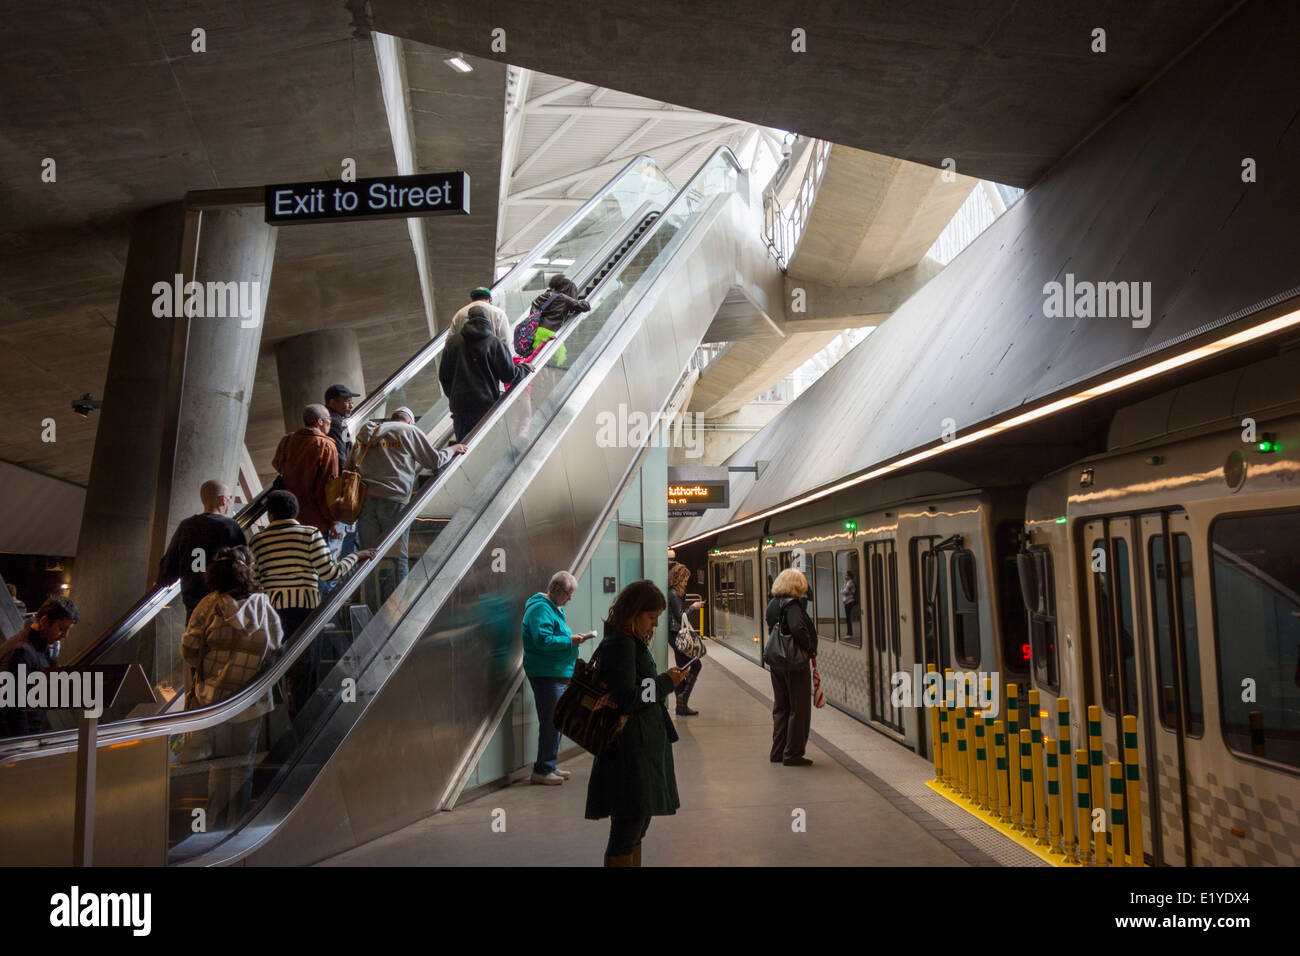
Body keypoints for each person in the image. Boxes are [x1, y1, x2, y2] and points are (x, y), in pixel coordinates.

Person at [585, 580, 686, 867]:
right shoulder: (620, 644)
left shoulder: (628, 641)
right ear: (634, 612)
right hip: (629, 752)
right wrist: (667, 682)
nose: (655, 624)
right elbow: (627, 697)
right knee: (628, 828)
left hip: (639, 746)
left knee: (636, 826)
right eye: (651, 617)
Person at [179, 546, 282, 827]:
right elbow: (276, 647)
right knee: (243, 765)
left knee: (218, 764)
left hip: (213, 700)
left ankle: (214, 822)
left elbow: (189, 648)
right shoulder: (263, 606)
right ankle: (238, 823)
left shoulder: (208, 605)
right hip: (250, 701)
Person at [248, 491, 374, 715]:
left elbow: (255, 580)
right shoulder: (309, 534)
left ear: (270, 514)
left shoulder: (258, 540)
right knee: (305, 668)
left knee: (278, 665)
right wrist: (356, 556)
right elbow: (330, 572)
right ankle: (302, 719)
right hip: (305, 611)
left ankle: (281, 713)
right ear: (296, 512)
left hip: (272, 612)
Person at [352, 408, 467, 587]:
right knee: (398, 557)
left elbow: (349, 466)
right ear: (410, 421)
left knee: (368, 557)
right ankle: (396, 606)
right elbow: (433, 461)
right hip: (394, 500)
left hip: (365, 501)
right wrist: (452, 449)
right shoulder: (409, 431)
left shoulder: (366, 434)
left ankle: (371, 605)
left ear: (391, 419)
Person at [521, 570, 595, 785]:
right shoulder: (540, 609)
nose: (570, 598)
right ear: (555, 590)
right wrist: (570, 641)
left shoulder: (554, 609)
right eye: (568, 594)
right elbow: (543, 640)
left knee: (557, 719)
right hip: (546, 673)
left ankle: (549, 764)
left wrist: (572, 640)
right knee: (551, 721)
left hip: (557, 671)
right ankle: (542, 770)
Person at [157, 479, 246, 621]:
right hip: (222, 604)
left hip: (193, 603)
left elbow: (169, 567)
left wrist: (162, 581)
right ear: (223, 500)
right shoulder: (230, 527)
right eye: (230, 498)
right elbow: (243, 565)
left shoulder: (186, 526)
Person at [438, 304, 530, 440]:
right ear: (487, 321)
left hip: (461, 408)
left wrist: (453, 396)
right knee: (489, 444)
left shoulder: (452, 343)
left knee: (464, 447)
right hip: (486, 406)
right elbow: (509, 375)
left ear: (468, 319)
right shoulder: (494, 343)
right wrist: (525, 368)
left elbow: (443, 376)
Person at [0, 597, 79, 737]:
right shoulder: (21, 651)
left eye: (68, 630)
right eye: (61, 628)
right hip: (16, 742)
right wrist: (24, 745)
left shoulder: (40, 649)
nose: (65, 635)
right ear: (44, 621)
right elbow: (11, 708)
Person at [766, 568, 818, 766]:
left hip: (777, 662)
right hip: (794, 663)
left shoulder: (773, 604)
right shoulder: (793, 605)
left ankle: (778, 751)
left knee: (781, 707)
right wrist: (810, 647)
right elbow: (796, 628)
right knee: (799, 708)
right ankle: (793, 753)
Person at [271, 404, 339, 538]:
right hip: (315, 519)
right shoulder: (326, 446)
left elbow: (276, 464)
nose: (330, 424)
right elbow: (328, 486)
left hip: (288, 515)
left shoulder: (287, 440)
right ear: (320, 422)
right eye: (328, 421)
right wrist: (333, 521)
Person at [324, 384, 362, 562]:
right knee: (336, 545)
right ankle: (333, 586)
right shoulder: (336, 423)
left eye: (351, 402)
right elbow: (341, 457)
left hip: (330, 489)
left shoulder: (331, 421)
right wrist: (347, 483)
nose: (351, 406)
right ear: (332, 403)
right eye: (346, 402)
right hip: (338, 489)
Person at [667, 562, 704, 716]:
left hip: (673, 633)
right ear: (678, 578)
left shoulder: (673, 593)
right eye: (685, 580)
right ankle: (682, 700)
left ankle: (681, 704)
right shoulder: (673, 594)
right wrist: (693, 607)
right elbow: (679, 615)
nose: (686, 582)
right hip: (677, 634)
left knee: (682, 668)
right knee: (695, 665)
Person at [527, 274, 591, 364]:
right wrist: (582, 301)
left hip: (537, 332)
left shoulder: (545, 295)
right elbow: (585, 307)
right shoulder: (563, 298)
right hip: (549, 334)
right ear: (566, 290)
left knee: (539, 360)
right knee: (560, 361)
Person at [841, 569, 859, 639]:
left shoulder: (850, 582)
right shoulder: (846, 582)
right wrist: (843, 591)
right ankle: (849, 633)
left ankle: (849, 633)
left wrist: (843, 590)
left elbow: (844, 591)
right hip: (847, 601)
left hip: (850, 601)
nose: (845, 576)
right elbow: (844, 591)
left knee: (848, 618)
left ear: (849, 576)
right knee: (847, 618)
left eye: (846, 575)